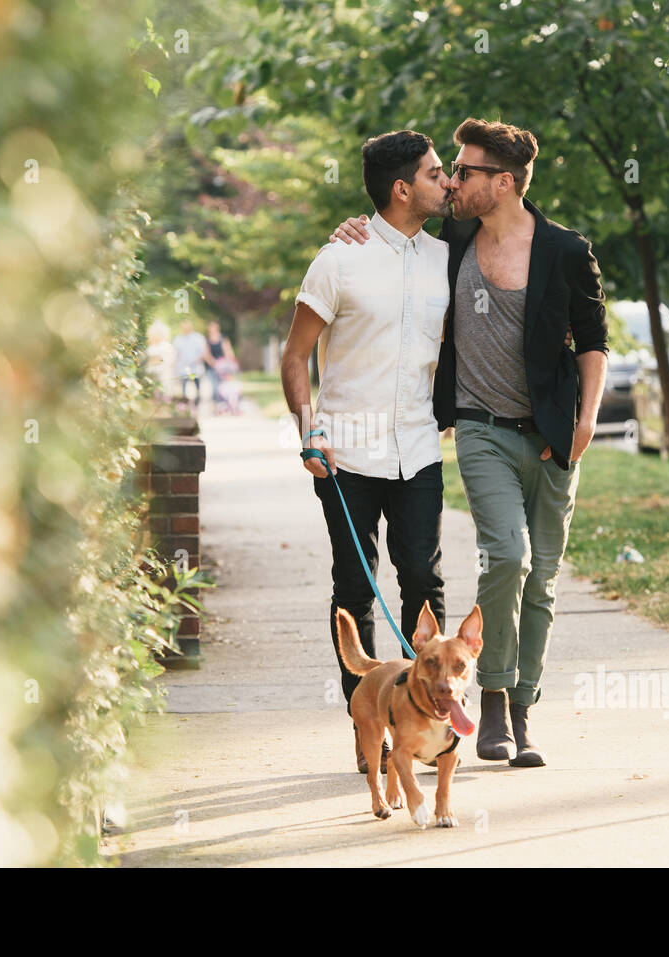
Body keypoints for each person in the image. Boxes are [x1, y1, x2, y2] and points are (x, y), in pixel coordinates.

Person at [330, 118, 609, 768]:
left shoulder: (566, 250)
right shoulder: (450, 239)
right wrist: (351, 229)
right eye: (448, 170)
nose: (453, 181)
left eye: (467, 171)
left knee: (541, 576)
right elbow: (389, 235)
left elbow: (593, 338)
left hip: (551, 435)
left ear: (504, 182)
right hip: (479, 428)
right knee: (506, 557)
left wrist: (586, 420)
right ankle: (487, 699)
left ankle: (521, 711)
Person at [281, 129, 454, 774]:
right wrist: (309, 429)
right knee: (354, 586)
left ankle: (422, 722)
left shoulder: (447, 257)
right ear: (402, 189)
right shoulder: (339, 260)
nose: (450, 182)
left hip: (418, 449)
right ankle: (369, 730)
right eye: (438, 174)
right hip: (345, 452)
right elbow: (296, 355)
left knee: (423, 580)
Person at [171, 320, 210, 411]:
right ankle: (186, 408)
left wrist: (197, 360)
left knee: (198, 390)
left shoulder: (198, 338)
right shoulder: (178, 339)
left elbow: (203, 352)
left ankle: (196, 407)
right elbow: (175, 354)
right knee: (184, 391)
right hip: (183, 369)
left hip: (196, 368)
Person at [205, 321, 236, 409]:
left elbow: (228, 351)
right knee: (214, 388)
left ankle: (224, 406)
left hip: (223, 367)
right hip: (212, 368)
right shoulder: (207, 340)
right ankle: (215, 406)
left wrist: (230, 364)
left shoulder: (223, 338)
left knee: (224, 388)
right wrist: (214, 364)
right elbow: (206, 354)